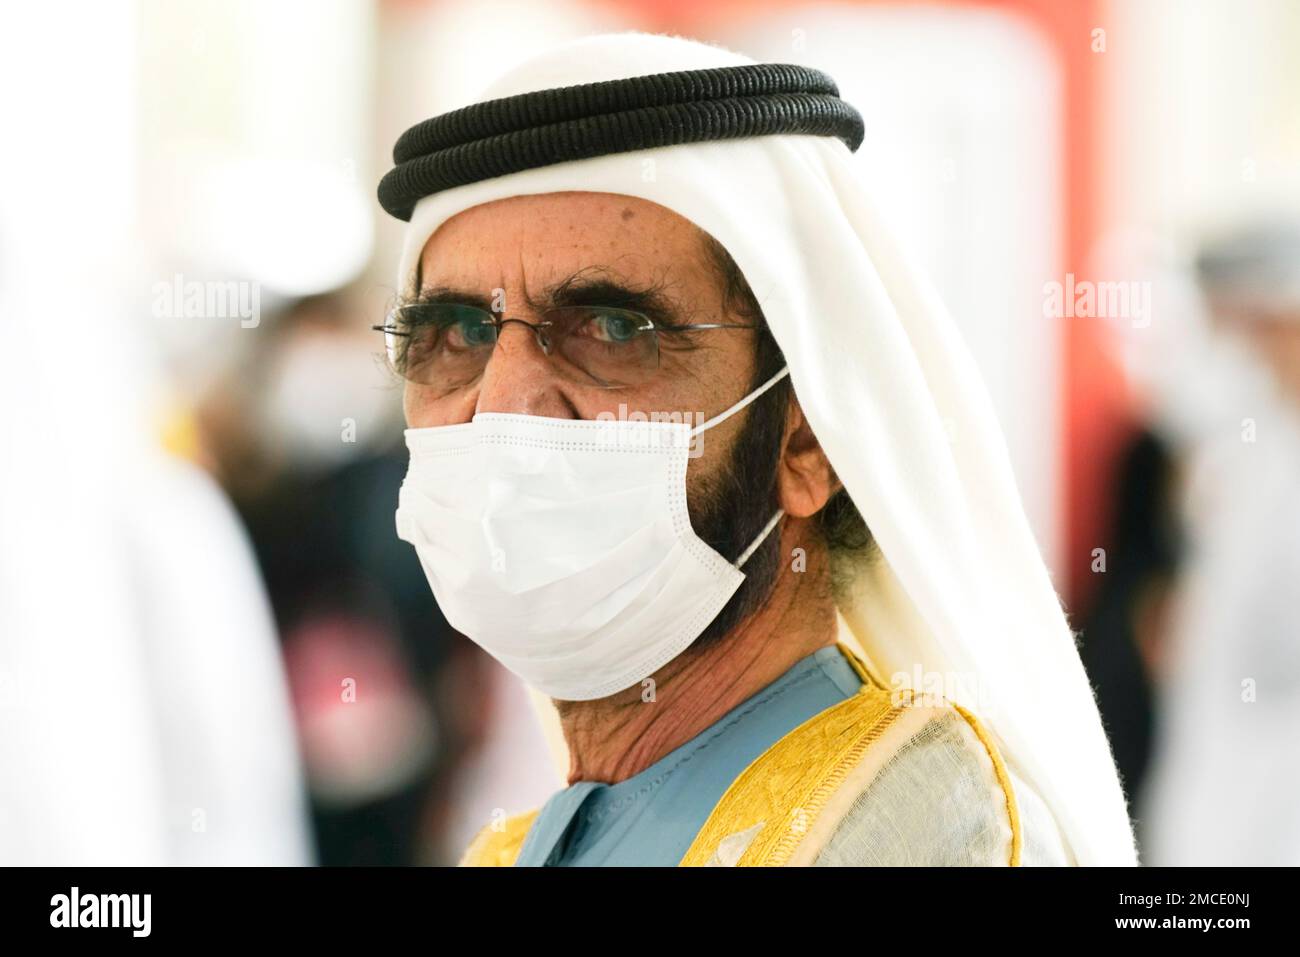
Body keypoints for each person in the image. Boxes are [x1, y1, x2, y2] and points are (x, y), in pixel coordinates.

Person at [375, 31, 1137, 866]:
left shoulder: (911, 823)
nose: (504, 407)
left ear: (806, 439)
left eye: (615, 329)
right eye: (455, 333)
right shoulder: (514, 848)